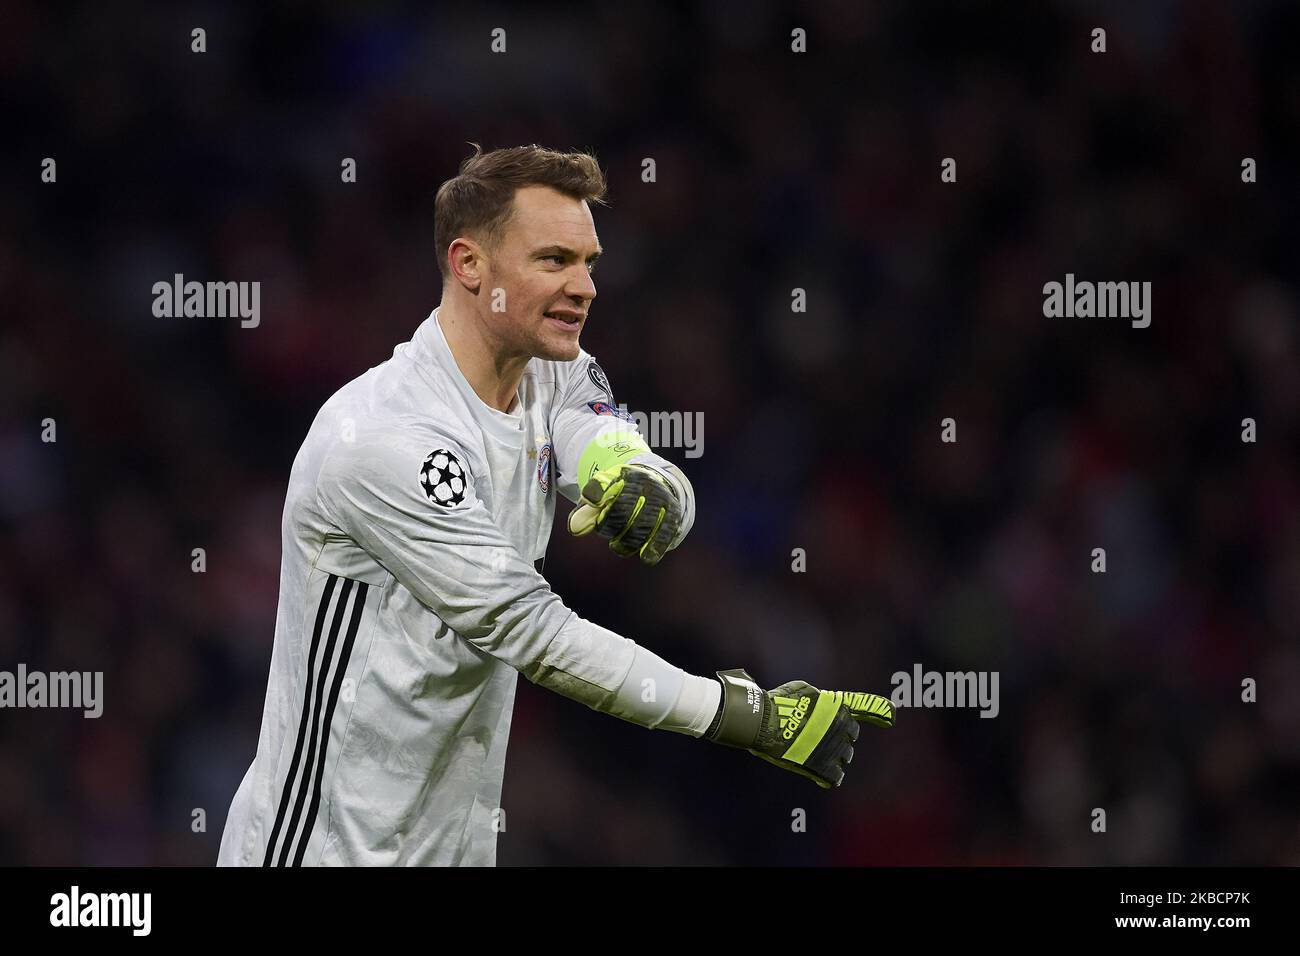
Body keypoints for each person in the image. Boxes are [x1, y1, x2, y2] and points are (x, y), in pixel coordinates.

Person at [218, 144, 895, 867]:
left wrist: (639, 482)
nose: (585, 287)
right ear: (469, 265)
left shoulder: (552, 371)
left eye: (589, 262)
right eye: (554, 260)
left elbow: (603, 440)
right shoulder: (385, 438)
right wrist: (744, 715)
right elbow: (536, 635)